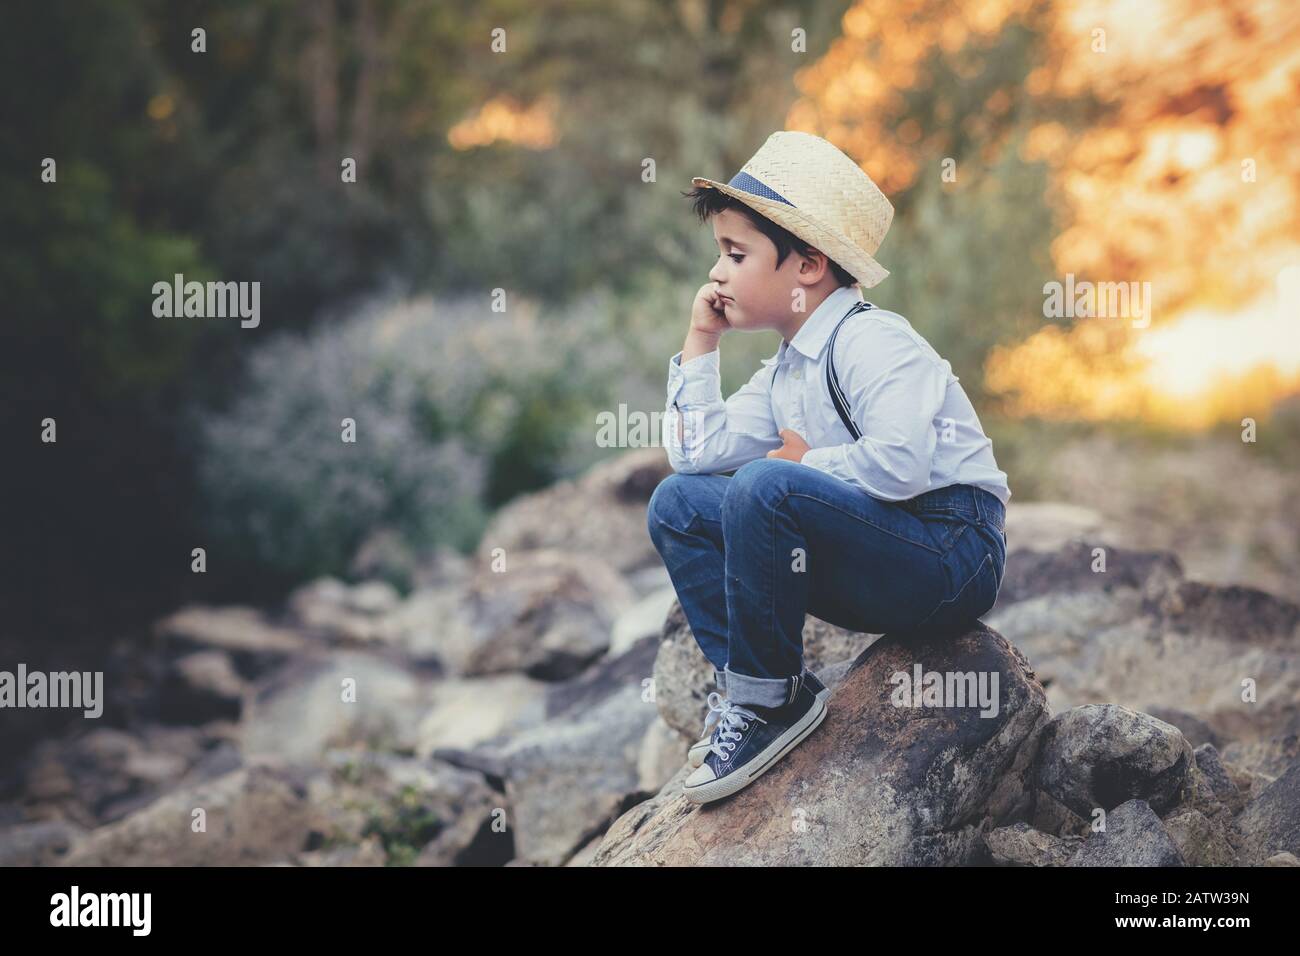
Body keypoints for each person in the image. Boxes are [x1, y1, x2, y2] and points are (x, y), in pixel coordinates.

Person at [647, 131, 1011, 805]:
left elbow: (901, 466)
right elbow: (695, 455)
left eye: (736, 254)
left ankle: (762, 707)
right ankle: (764, 691)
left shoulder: (874, 340)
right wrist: (701, 341)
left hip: (951, 552)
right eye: (717, 255)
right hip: (880, 553)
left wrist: (807, 464)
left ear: (808, 266)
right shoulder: (787, 369)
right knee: (678, 502)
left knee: (765, 484)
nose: (716, 275)